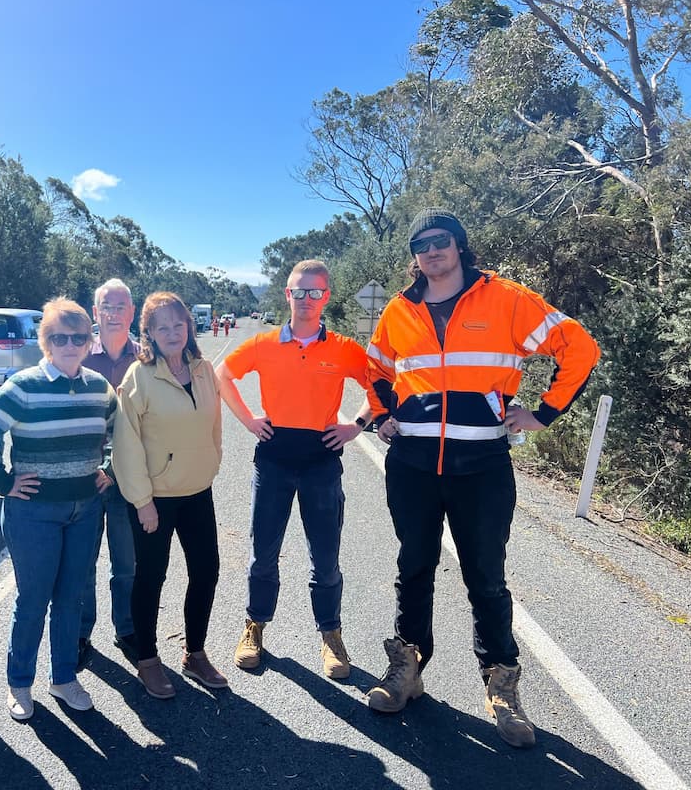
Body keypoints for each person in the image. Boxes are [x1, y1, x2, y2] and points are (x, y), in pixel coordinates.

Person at [365, 208, 600, 748]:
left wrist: (544, 413)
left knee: (486, 577)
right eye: (421, 245)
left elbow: (579, 347)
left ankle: (502, 687)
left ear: (459, 244)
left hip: (481, 467)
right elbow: (376, 368)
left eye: (440, 241)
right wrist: (381, 415)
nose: (431, 251)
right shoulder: (400, 309)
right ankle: (407, 669)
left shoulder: (507, 299)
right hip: (413, 464)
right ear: (414, 256)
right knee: (413, 566)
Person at [215, 260, 371, 679]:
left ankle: (331, 634)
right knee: (263, 555)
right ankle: (254, 626)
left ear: (326, 297)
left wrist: (356, 426)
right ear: (287, 295)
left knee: (325, 558)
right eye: (298, 291)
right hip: (274, 460)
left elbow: (380, 385)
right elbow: (222, 375)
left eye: (314, 291)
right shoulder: (263, 344)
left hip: (322, 461)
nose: (306, 299)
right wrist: (249, 421)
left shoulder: (343, 348)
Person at [0, 298, 116, 722]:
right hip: (33, 514)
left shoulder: (99, 387)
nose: (70, 345)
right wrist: (1, 482)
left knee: (71, 598)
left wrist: (107, 468)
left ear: (89, 342)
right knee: (33, 600)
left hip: (84, 510)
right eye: (59, 338)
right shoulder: (23, 386)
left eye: (79, 338)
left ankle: (64, 678)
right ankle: (20, 683)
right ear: (45, 341)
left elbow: (113, 431)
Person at [112, 292, 226, 698]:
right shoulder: (139, 376)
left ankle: (195, 654)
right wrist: (142, 500)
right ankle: (147, 660)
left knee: (207, 571)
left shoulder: (203, 369)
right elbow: (125, 443)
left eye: (179, 324)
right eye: (163, 327)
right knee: (150, 577)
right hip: (154, 499)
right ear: (149, 334)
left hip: (197, 491)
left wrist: (212, 463)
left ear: (189, 327)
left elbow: (214, 423)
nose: (173, 333)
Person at [79, 278, 140, 668]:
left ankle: (127, 629)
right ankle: (80, 632)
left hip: (128, 478)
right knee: (82, 563)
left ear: (132, 312)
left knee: (127, 564)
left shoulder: (147, 359)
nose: (114, 314)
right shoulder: (77, 353)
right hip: (83, 478)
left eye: (121, 307)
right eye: (107, 306)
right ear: (95, 312)